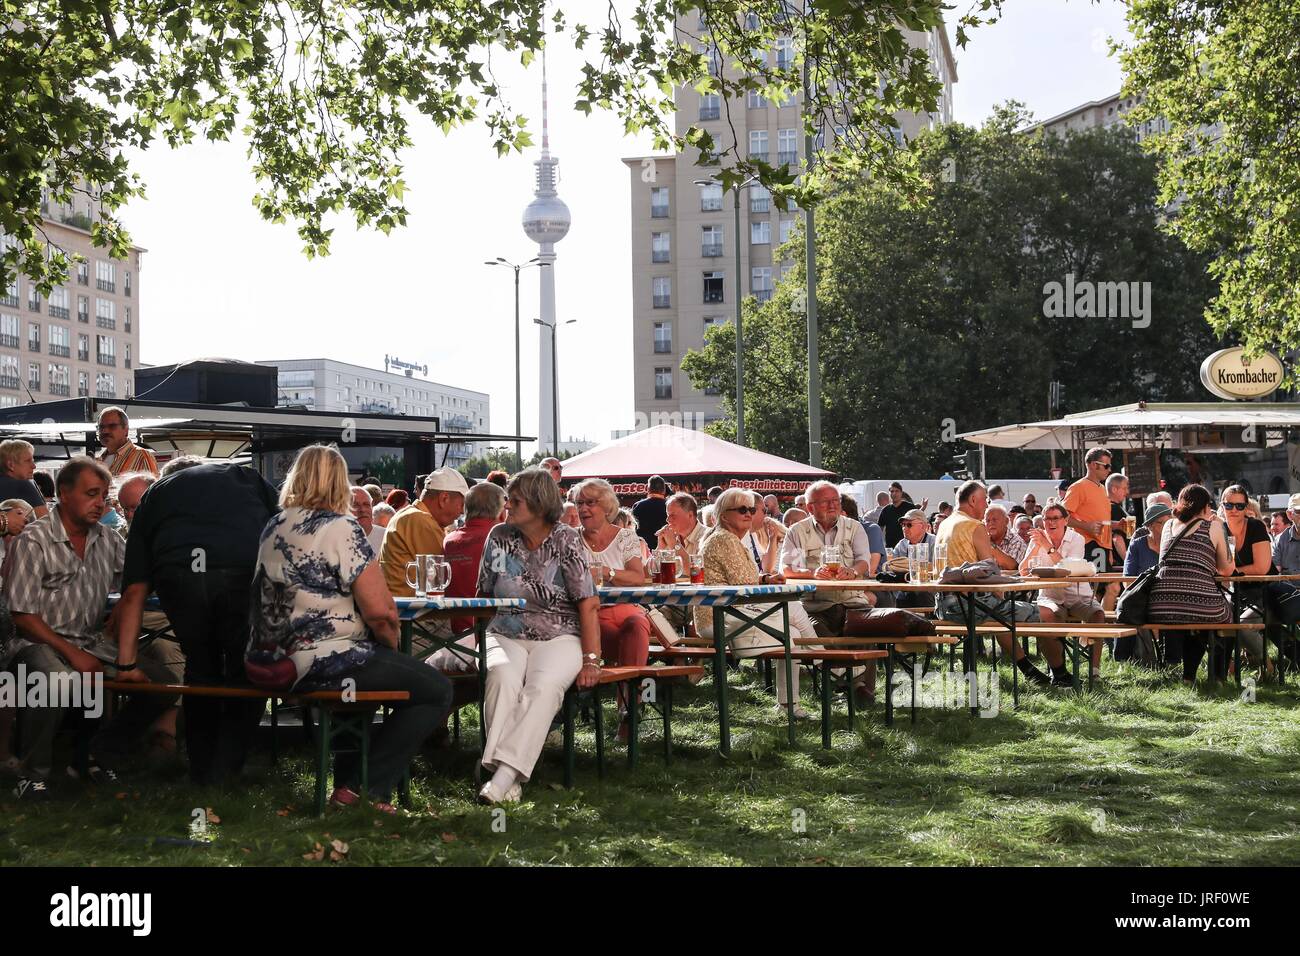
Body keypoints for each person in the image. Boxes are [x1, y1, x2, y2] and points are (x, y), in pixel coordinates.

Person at [247, 445, 451, 812]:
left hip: (269, 659)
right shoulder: (341, 527)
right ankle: (366, 789)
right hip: (322, 659)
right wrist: (390, 647)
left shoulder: (273, 524)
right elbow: (381, 613)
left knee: (361, 683)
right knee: (436, 689)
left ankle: (347, 785)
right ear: (339, 483)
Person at [5, 458, 175, 799]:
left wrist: (124, 608)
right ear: (64, 495)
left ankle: (96, 755)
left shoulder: (108, 539)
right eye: (92, 494)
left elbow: (137, 584)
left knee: (163, 684)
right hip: (32, 641)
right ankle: (32, 774)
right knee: (56, 679)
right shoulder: (34, 540)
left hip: (88, 640)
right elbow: (22, 616)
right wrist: (74, 655)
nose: (101, 503)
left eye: (104, 495)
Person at [114, 458, 280, 785]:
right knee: (245, 669)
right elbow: (286, 520)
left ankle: (201, 770)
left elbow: (134, 591)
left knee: (200, 667)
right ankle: (227, 768)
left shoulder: (156, 494)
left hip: (180, 577)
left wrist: (126, 664)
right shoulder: (240, 474)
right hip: (241, 570)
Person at [475, 468, 600, 804]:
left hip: (559, 634)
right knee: (500, 676)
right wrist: (480, 637)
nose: (507, 506)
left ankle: (500, 778)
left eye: (515, 501)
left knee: (543, 687)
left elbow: (588, 602)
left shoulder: (566, 539)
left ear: (539, 504)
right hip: (505, 630)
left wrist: (591, 659)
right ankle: (509, 777)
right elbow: (485, 594)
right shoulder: (500, 536)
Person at [698, 487, 820, 718]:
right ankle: (826, 662)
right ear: (724, 516)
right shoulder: (724, 539)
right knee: (792, 606)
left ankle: (788, 705)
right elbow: (745, 583)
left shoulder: (731, 538)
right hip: (718, 616)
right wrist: (764, 579)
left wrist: (765, 578)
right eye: (742, 509)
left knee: (792, 634)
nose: (748, 514)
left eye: (751, 509)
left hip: (732, 612)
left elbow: (747, 579)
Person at [936, 480, 1048, 685]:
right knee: (1048, 613)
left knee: (1001, 619)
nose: (986, 506)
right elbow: (990, 571)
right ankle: (1061, 674)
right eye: (985, 500)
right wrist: (1006, 587)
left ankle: (1028, 670)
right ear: (972, 500)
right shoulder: (974, 526)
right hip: (973, 606)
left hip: (944, 607)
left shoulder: (944, 524)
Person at [779, 481, 876, 703]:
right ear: (810, 507)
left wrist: (852, 572)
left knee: (866, 626)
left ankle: (854, 686)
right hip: (816, 604)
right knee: (814, 630)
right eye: (826, 502)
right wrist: (812, 573)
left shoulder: (854, 527)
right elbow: (786, 569)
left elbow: (864, 562)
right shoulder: (797, 531)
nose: (833, 506)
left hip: (852, 600)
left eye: (836, 501)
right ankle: (854, 685)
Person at [575, 478, 652, 737]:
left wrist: (605, 571)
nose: (583, 509)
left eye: (590, 503)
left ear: (606, 506)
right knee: (630, 630)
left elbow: (637, 577)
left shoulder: (626, 537)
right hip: (591, 615)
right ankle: (629, 715)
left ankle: (628, 713)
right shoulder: (571, 540)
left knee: (638, 624)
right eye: (579, 503)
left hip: (627, 609)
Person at [1148, 484, 1235, 684]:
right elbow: (1226, 569)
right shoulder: (1213, 526)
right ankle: (1219, 678)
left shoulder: (1168, 525)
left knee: (1195, 621)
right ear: (1205, 507)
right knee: (1227, 616)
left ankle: (1189, 678)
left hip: (1162, 604)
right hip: (1199, 602)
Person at [1020, 502, 1103, 683]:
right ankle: (1060, 673)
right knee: (1047, 615)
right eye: (1047, 518)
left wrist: (1047, 547)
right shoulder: (1038, 538)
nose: (1051, 522)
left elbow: (1068, 569)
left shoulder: (1077, 539)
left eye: (1055, 518)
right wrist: (1036, 546)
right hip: (1050, 596)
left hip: (1077, 594)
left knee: (1098, 614)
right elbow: (1023, 571)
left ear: (1065, 520)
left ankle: (1094, 672)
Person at [380, 468, 468, 597]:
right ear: (444, 499)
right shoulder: (420, 520)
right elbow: (441, 579)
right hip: (411, 613)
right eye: (461, 505)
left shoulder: (408, 515)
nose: (461, 512)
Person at [1220, 483, 1274, 670]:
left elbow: (1262, 568)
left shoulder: (1256, 527)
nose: (1234, 510)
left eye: (1239, 506)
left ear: (1246, 508)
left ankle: (1267, 665)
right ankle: (1225, 670)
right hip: (1234, 593)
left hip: (1265, 592)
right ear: (1221, 506)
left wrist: (1234, 572)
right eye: (1229, 505)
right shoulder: (1219, 529)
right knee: (1215, 622)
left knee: (1244, 627)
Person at [442, 481, 506, 633]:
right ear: (502, 513)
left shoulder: (449, 540)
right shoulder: (502, 540)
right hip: (491, 636)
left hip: (455, 635)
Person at [1119, 502, 1172, 664]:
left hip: (1169, 596)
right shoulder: (1138, 545)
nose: (1166, 527)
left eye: (1169, 522)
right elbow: (1127, 580)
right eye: (1161, 522)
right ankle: (1126, 660)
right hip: (1142, 596)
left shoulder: (1174, 544)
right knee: (1128, 609)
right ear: (1149, 525)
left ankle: (1165, 658)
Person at [1063, 448, 1115, 570]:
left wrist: (1117, 526)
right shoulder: (1078, 487)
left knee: (1110, 588)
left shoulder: (1102, 488)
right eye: (1106, 466)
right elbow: (1063, 517)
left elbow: (1101, 521)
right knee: (1104, 587)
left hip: (1102, 547)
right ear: (1093, 465)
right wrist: (1086, 526)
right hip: (1088, 545)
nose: (1109, 469)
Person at [889, 508, 935, 608]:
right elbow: (892, 567)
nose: (904, 528)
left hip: (929, 591)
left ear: (922, 526)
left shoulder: (934, 542)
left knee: (921, 594)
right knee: (897, 596)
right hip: (905, 589)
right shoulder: (901, 545)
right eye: (903, 525)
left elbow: (937, 570)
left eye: (909, 525)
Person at [94, 406, 159, 477]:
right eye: (101, 427)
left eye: (112, 426)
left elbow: (152, 487)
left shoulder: (142, 457)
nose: (105, 431)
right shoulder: (97, 462)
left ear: (126, 429)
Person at [0, 440, 48, 522]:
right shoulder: (24, 485)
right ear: (10, 465)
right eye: (28, 461)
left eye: (33, 461)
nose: (34, 466)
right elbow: (46, 523)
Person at [656, 491, 706, 570]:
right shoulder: (670, 537)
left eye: (673, 515)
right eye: (668, 515)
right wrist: (660, 548)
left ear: (690, 515)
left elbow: (697, 572)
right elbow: (649, 573)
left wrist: (674, 545)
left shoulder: (708, 536)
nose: (668, 519)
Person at [879, 482, 928, 549]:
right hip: (890, 547)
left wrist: (922, 508)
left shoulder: (909, 507)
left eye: (897, 491)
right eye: (892, 491)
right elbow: (880, 529)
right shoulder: (886, 510)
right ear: (889, 493)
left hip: (907, 546)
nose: (894, 493)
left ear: (901, 493)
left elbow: (918, 517)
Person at [631, 475, 669, 552]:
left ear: (648, 489)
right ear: (664, 491)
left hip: (642, 550)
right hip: (665, 550)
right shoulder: (670, 506)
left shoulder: (637, 506)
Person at [984, 503, 1025, 571]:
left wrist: (991, 546)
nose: (991, 523)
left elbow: (1012, 566)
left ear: (1006, 521)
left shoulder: (1016, 541)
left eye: (994, 520)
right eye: (987, 521)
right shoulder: (982, 540)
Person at [351, 485, 386, 555]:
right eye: (355, 505)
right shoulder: (334, 539)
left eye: (366, 504)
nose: (362, 510)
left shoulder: (386, 538)